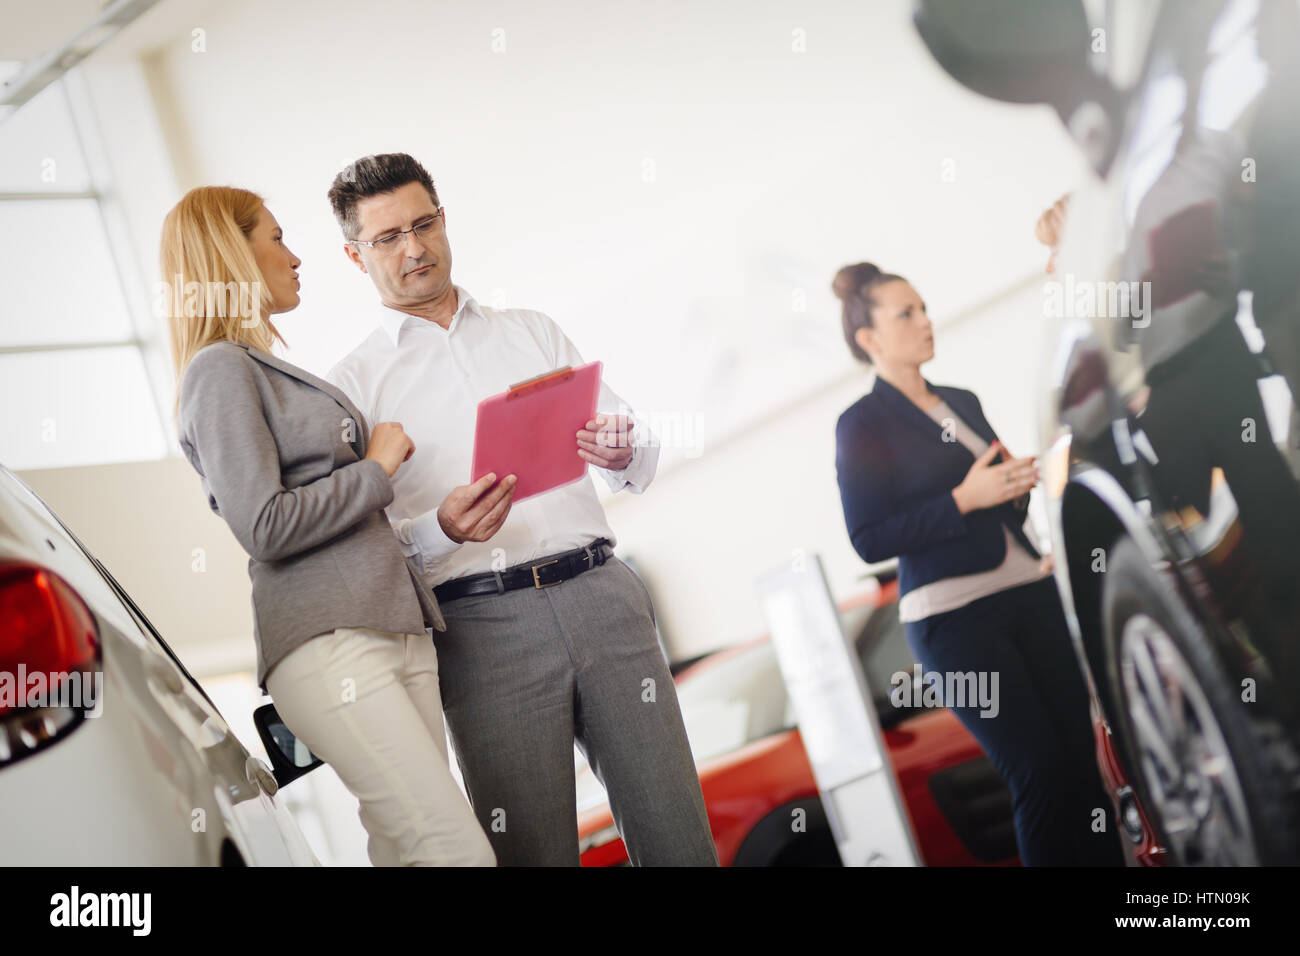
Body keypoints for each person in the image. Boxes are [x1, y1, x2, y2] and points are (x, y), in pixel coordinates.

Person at [323, 153, 717, 867]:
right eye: (388, 238)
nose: (414, 248)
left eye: (424, 224)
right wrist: (437, 530)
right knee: (531, 853)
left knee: (679, 839)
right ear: (355, 256)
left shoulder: (531, 330)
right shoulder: (351, 386)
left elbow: (638, 452)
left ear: (443, 220)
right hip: (480, 631)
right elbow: (361, 546)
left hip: (605, 596)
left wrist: (620, 448)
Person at [163, 186, 496, 867]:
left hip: (391, 628)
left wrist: (432, 524)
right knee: (457, 852)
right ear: (233, 251)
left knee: (410, 848)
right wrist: (375, 469)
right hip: (333, 644)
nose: (295, 257)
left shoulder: (263, 368)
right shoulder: (219, 372)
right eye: (277, 238)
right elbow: (264, 524)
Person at [832, 261, 1122, 866]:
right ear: (869, 338)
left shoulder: (961, 400)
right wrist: (966, 498)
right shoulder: (861, 423)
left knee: (1081, 760)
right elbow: (867, 537)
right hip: (953, 620)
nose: (925, 321)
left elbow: (992, 489)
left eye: (925, 308)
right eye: (905, 313)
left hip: (1029, 590)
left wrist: (1012, 485)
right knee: (1037, 773)